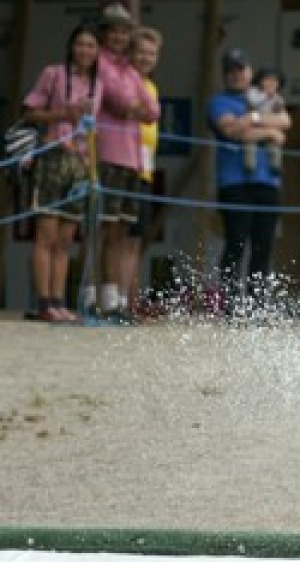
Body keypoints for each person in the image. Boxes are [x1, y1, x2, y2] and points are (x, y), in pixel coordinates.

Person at [21, 24, 102, 323]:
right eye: (80, 44)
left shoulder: (98, 84)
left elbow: (94, 129)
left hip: (80, 162)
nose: (85, 51)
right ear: (71, 47)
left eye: (91, 46)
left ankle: (59, 301)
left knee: (66, 238)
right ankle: (44, 301)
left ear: (98, 52)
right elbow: (29, 111)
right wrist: (63, 113)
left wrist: (94, 170)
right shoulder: (53, 74)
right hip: (53, 154)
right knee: (46, 234)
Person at [207, 47, 291, 309]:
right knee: (237, 241)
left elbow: (285, 122)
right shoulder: (219, 101)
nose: (236, 75)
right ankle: (231, 304)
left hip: (268, 182)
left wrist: (252, 121)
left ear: (250, 72)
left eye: (241, 69)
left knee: (263, 245)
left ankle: (256, 305)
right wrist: (267, 130)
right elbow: (232, 131)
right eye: (230, 71)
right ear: (225, 75)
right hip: (234, 182)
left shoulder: (266, 97)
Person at [93, 1, 159, 322]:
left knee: (121, 231)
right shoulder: (100, 62)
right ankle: (92, 296)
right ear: (104, 33)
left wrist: (134, 108)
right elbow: (117, 101)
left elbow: (153, 111)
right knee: (101, 229)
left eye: (124, 31)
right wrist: (132, 108)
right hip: (107, 154)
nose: (119, 37)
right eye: (114, 31)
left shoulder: (128, 69)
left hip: (132, 161)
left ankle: (116, 299)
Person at [121, 26, 161, 319]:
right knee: (119, 237)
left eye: (152, 53)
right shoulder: (125, 82)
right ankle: (118, 300)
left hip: (145, 170)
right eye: (141, 52)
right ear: (130, 54)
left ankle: (131, 299)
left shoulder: (151, 86)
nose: (146, 58)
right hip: (124, 167)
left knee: (136, 239)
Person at [243, 67, 287, 173]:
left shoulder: (276, 97)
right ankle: (250, 165)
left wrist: (278, 104)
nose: (271, 83)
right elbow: (252, 103)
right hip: (254, 125)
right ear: (260, 81)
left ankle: (275, 165)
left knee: (274, 145)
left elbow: (281, 112)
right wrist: (265, 95)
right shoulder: (253, 92)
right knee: (250, 145)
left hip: (269, 125)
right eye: (268, 80)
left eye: (275, 81)